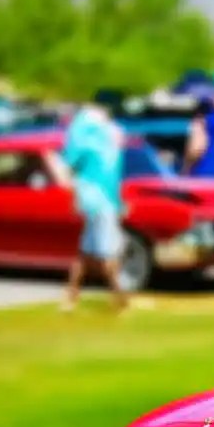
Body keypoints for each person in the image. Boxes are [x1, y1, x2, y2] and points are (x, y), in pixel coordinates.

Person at [57, 100, 127, 312]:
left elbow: (69, 163)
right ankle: (120, 298)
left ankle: (71, 296)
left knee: (87, 252)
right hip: (102, 201)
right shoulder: (106, 134)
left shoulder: (85, 133)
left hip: (93, 199)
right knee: (108, 253)